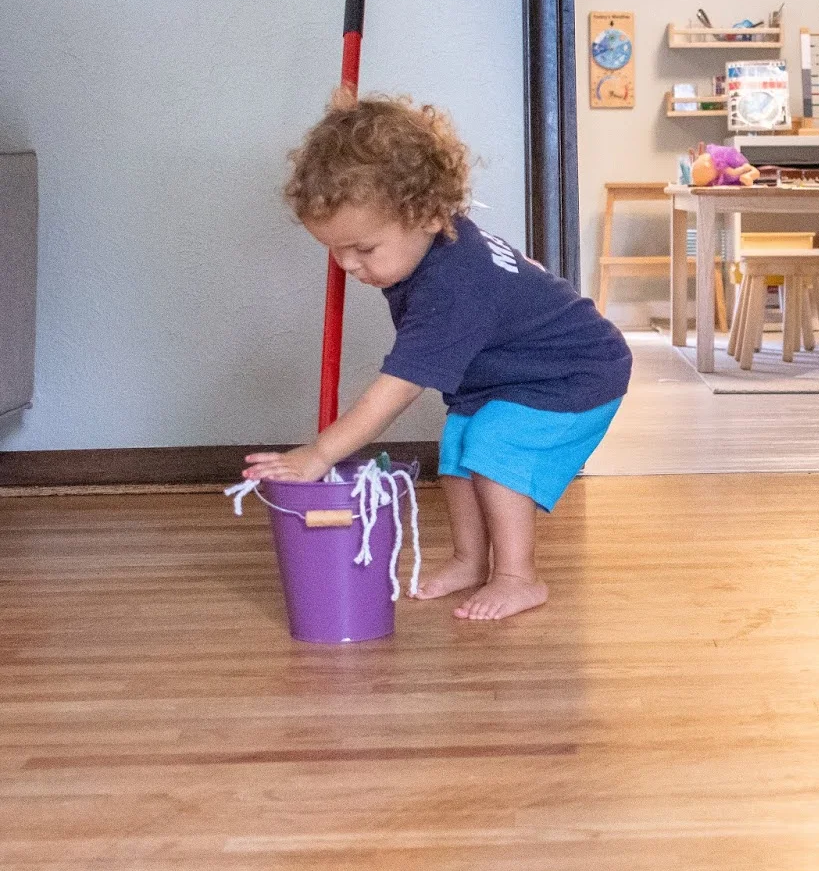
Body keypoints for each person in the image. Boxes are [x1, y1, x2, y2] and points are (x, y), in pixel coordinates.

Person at [243, 94, 632, 621]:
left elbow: (398, 386)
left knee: (496, 447)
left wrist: (319, 454)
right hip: (505, 373)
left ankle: (519, 575)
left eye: (363, 248)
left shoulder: (453, 286)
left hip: (571, 373)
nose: (348, 265)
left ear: (427, 216)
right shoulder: (435, 235)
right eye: (334, 249)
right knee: (458, 447)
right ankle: (471, 560)